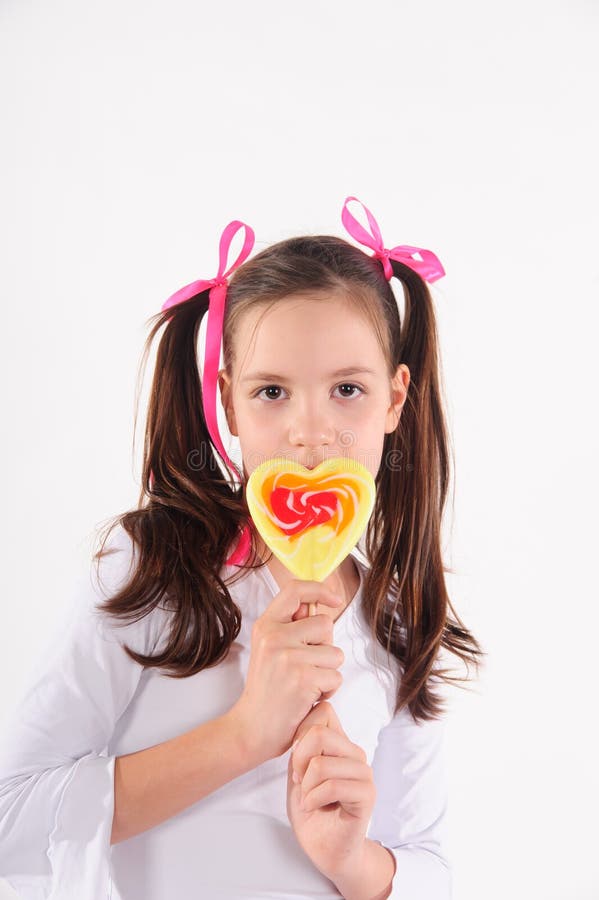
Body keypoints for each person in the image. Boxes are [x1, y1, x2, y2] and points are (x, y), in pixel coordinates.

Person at [0, 197, 484, 899]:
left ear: (394, 400)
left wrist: (352, 860)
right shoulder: (151, 571)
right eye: (271, 392)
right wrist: (245, 735)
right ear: (226, 402)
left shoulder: (400, 624)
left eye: (347, 388)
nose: (309, 431)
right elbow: (10, 819)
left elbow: (427, 864)